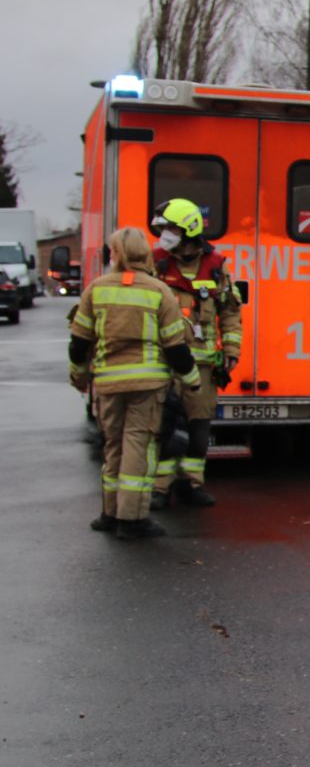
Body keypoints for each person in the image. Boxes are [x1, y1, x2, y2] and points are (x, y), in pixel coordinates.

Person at [68, 227, 201, 540]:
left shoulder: (96, 289)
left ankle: (110, 513)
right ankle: (132, 519)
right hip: (147, 386)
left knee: (113, 446)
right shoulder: (158, 291)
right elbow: (175, 346)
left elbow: (79, 342)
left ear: (118, 254)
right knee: (137, 448)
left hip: (108, 385)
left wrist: (79, 375)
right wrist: (192, 380)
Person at [148, 198, 243, 510]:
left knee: (199, 427)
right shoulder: (155, 262)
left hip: (201, 364)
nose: (165, 234)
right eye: (163, 228)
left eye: (170, 228)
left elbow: (230, 311)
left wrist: (231, 349)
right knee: (161, 425)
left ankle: (192, 484)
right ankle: (159, 489)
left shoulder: (215, 266)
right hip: (163, 361)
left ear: (188, 229)